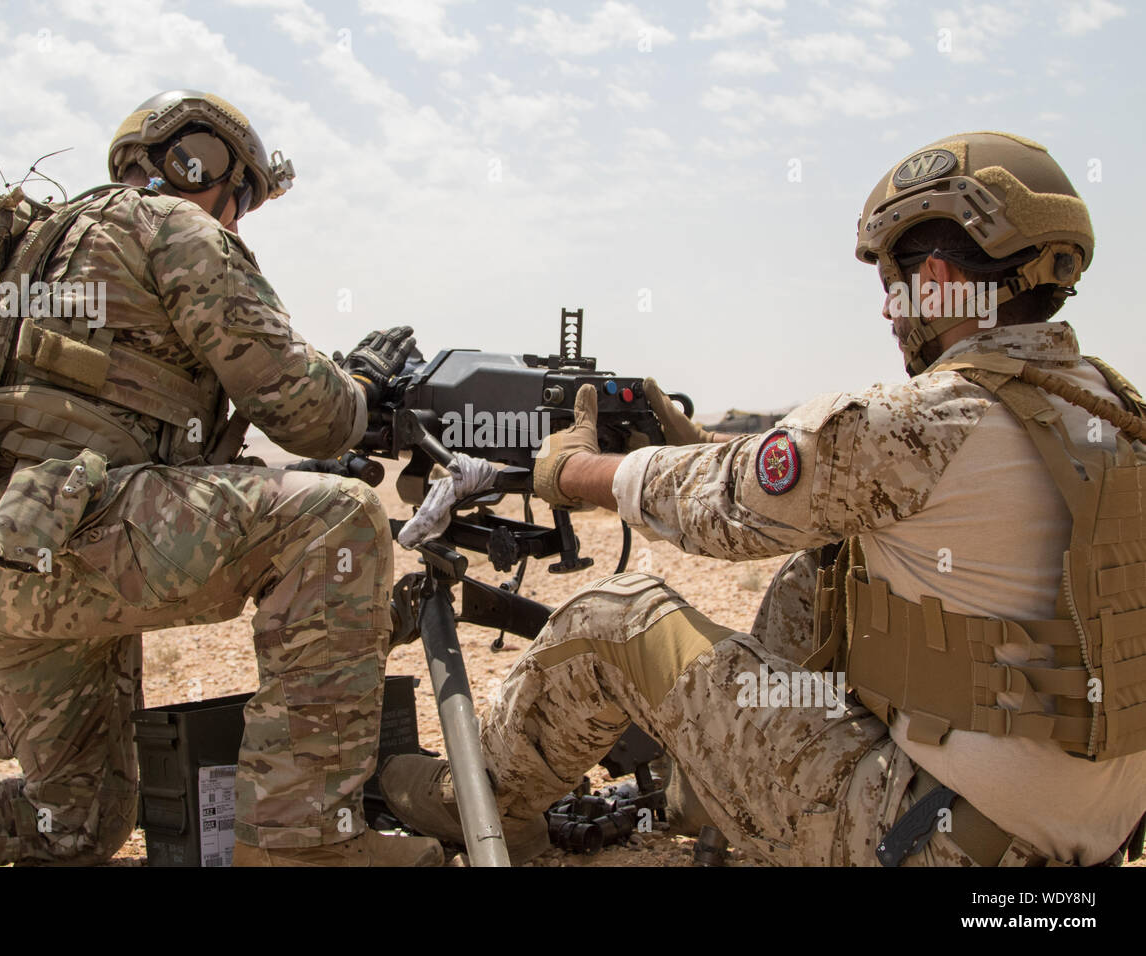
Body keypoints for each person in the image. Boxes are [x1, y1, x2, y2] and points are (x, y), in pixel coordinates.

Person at [382, 131, 1146, 867]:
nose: (889, 313)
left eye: (894, 287)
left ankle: (466, 803)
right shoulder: (1116, 413)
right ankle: (712, 798)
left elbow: (727, 511)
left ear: (941, 285)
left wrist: (575, 469)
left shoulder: (927, 420)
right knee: (821, 570)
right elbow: (820, 491)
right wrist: (710, 455)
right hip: (1078, 839)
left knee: (612, 619)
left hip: (932, 840)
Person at [0, 90, 441, 867]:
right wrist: (359, 384)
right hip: (77, 545)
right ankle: (300, 846)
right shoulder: (168, 224)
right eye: (243, 198)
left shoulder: (8, 258)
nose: (236, 219)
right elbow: (304, 407)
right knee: (335, 519)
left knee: (75, 823)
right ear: (203, 160)